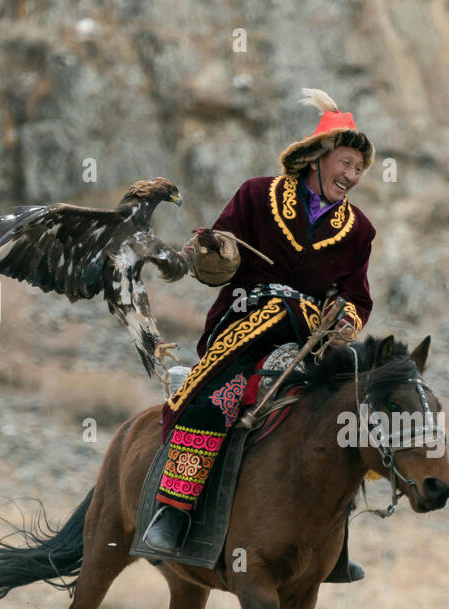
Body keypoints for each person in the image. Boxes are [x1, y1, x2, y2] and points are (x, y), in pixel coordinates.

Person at [142, 88, 377, 582]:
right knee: (215, 401)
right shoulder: (256, 195)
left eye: (359, 169)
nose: (352, 177)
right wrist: (214, 252)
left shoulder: (359, 231)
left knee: (345, 416)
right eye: (347, 163)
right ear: (318, 156)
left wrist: (344, 320)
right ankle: (172, 512)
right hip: (245, 327)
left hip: (308, 339)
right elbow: (220, 260)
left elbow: (357, 295)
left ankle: (336, 544)